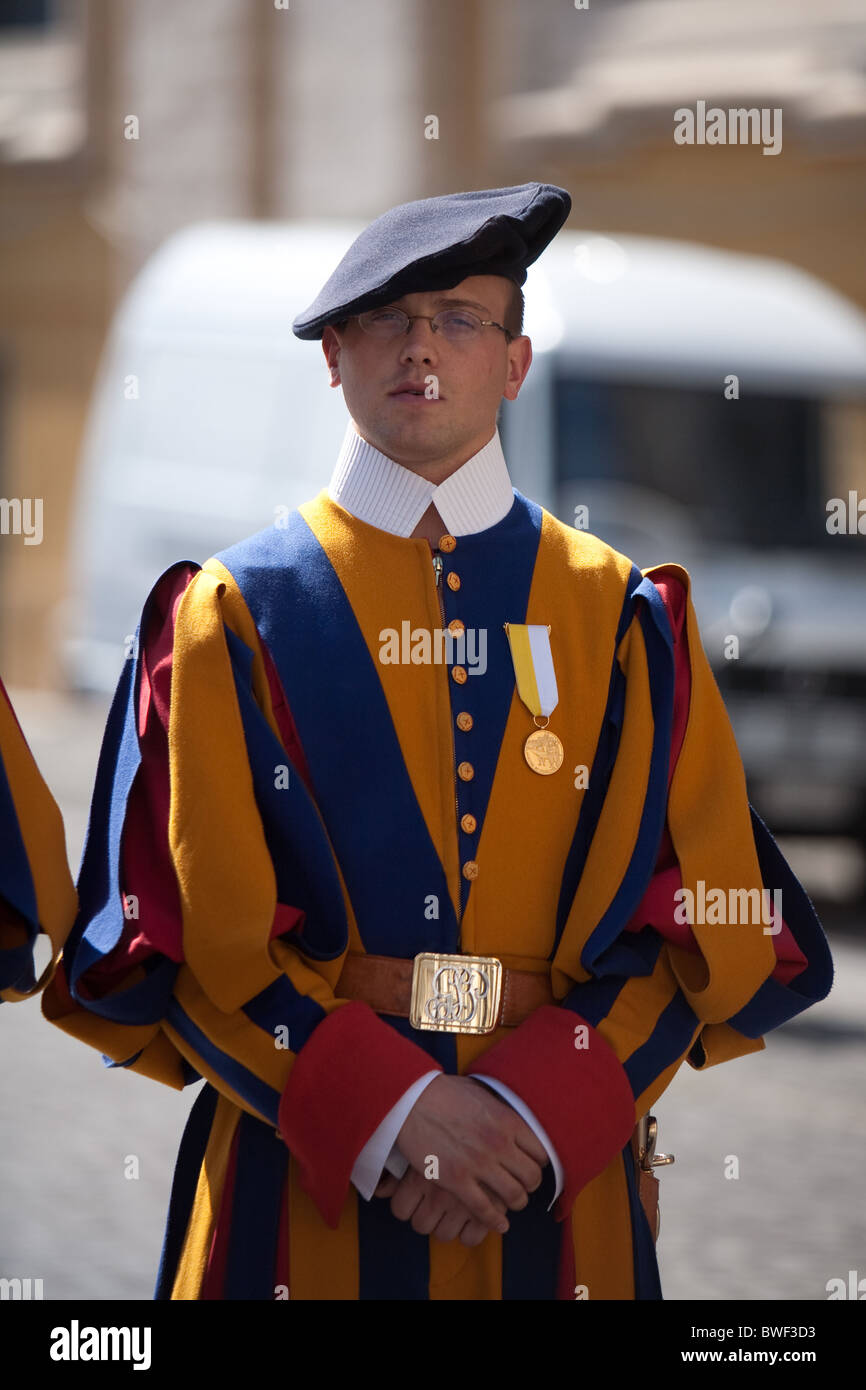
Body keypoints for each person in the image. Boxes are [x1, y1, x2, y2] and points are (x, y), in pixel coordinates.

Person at [39, 183, 833, 1301]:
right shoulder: (226, 614)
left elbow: (691, 916)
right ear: (333, 357)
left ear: (513, 364)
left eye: (460, 318)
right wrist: (390, 1113)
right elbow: (183, 936)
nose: (421, 346)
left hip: (556, 1193)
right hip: (297, 1196)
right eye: (386, 319)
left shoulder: (620, 615)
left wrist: (530, 1113)